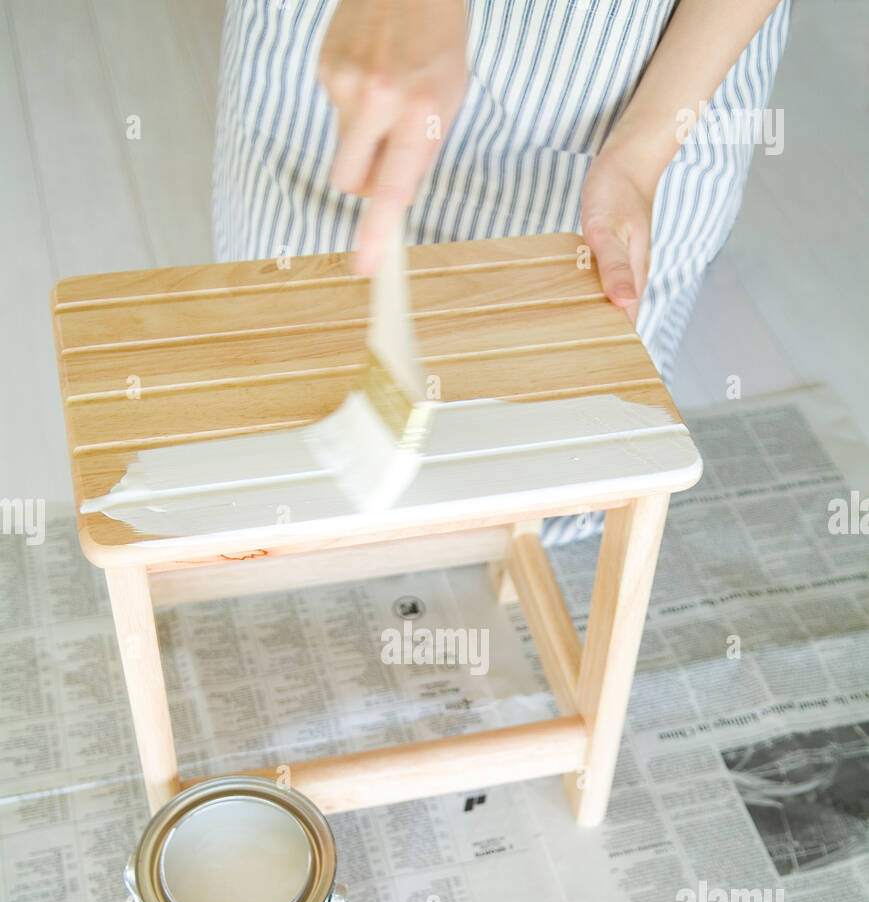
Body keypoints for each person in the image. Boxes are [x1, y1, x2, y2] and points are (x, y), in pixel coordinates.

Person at [213, 0, 791, 538]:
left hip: (646, 80)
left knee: (560, 482)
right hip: (356, 62)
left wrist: (638, 162)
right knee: (281, 411)